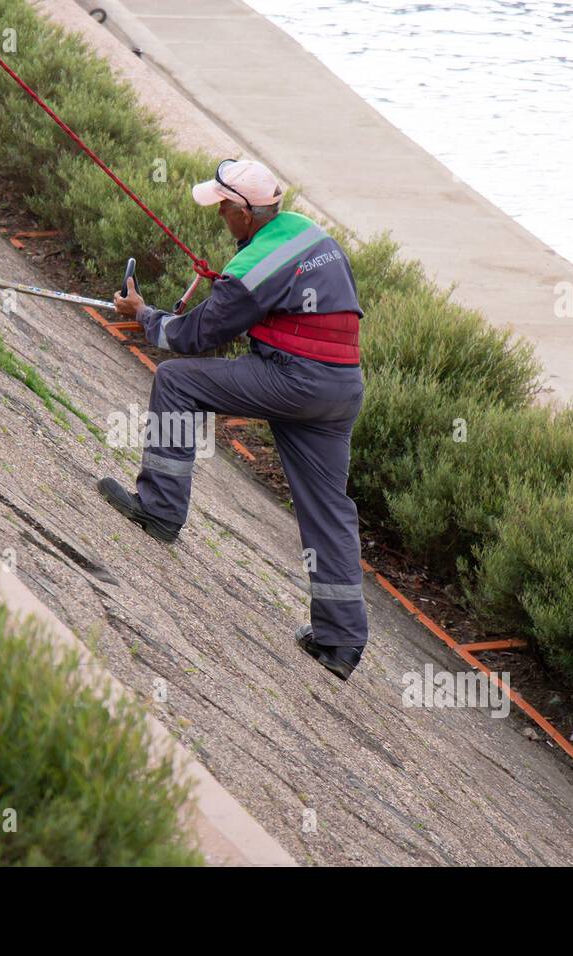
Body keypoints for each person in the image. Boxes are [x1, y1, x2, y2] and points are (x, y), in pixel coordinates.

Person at [99, 159, 369, 681]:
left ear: (247, 213)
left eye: (224, 207)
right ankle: (339, 643)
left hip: (295, 380)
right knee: (329, 509)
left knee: (177, 381)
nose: (221, 215)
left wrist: (143, 315)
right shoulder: (312, 235)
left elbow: (196, 336)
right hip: (340, 389)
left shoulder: (253, 268)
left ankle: (158, 511)